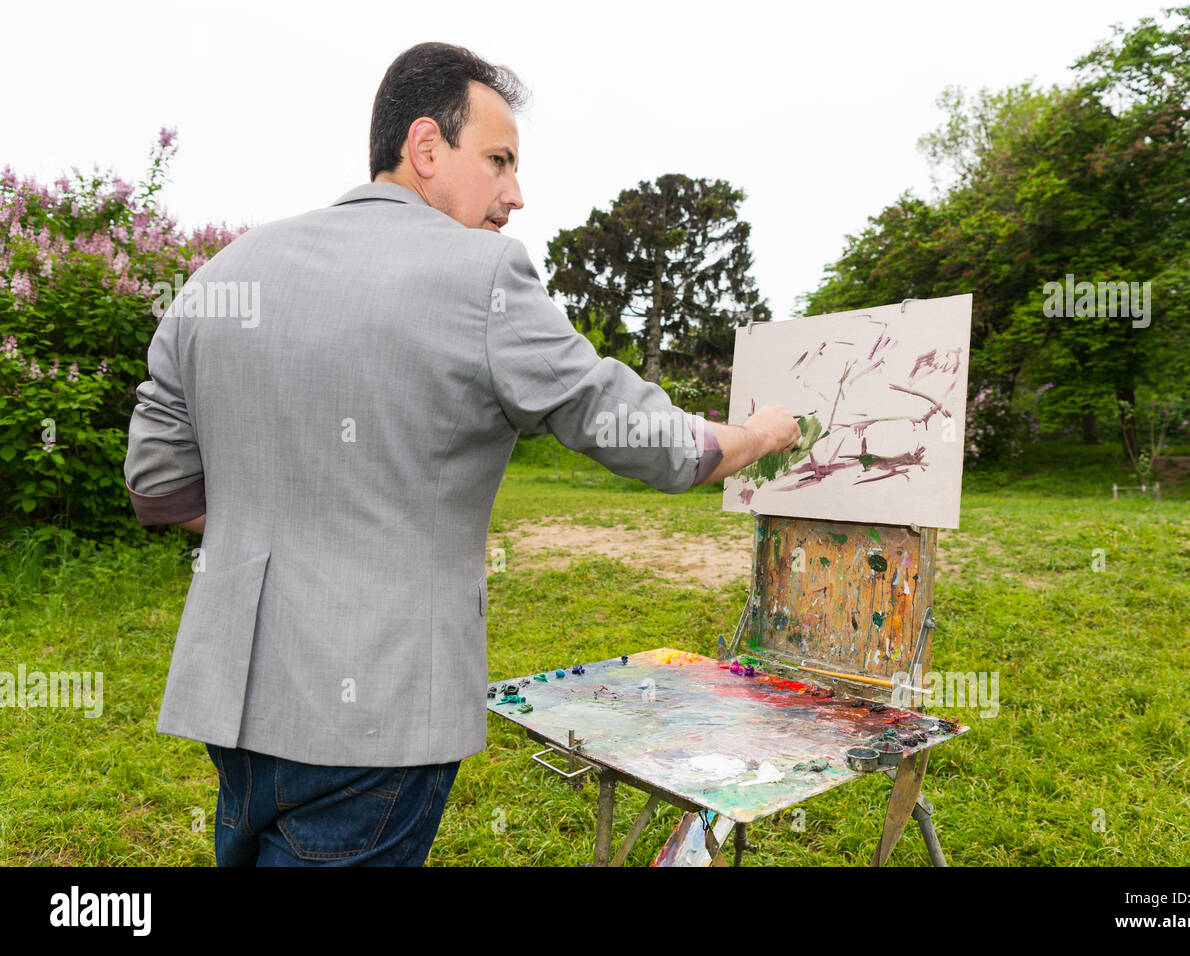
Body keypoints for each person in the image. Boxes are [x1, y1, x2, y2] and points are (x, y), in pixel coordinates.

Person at [123, 41, 799, 867]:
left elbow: (158, 485)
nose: (516, 195)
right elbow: (653, 444)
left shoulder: (224, 273)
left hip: (231, 704)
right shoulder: (483, 277)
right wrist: (761, 433)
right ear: (425, 147)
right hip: (376, 717)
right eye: (500, 161)